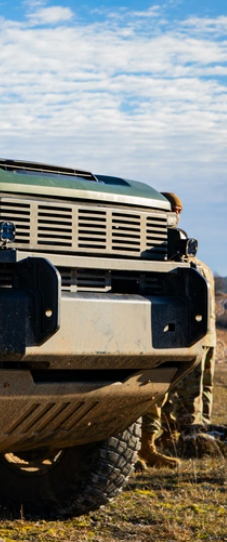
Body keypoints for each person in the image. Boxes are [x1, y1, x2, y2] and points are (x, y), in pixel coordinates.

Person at [138, 192, 219, 467]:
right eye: (173, 209)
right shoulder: (147, 245)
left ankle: (186, 436)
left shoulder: (182, 245)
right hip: (167, 332)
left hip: (201, 333)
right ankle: (148, 443)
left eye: (178, 209)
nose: (176, 213)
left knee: (199, 388)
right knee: (157, 391)